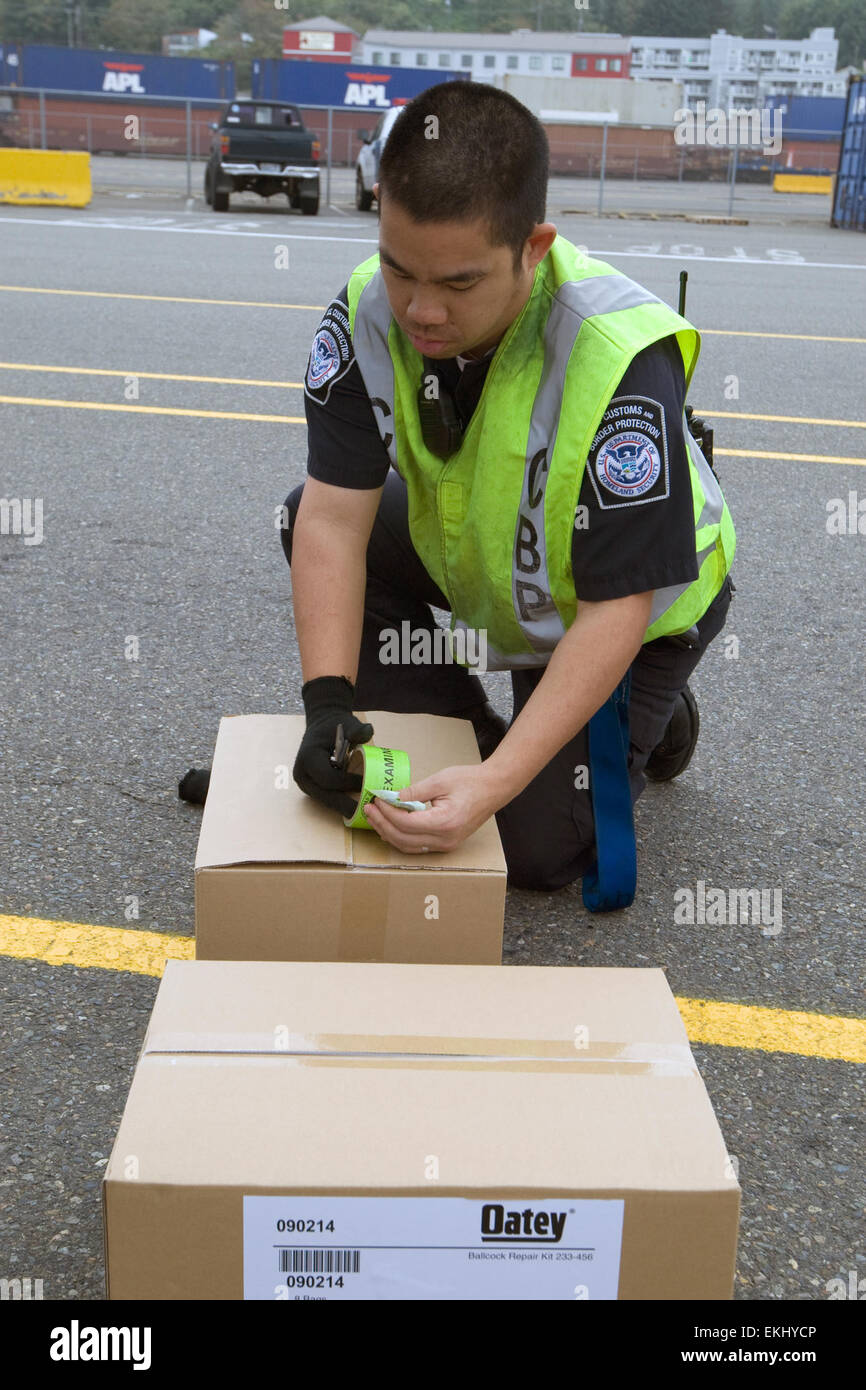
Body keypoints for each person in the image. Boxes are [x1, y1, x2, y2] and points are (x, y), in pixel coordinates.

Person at [277, 81, 735, 904]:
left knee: (530, 852)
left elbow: (618, 609)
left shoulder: (616, 356)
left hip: (623, 609)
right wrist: (326, 706)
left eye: (458, 282)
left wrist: (496, 786)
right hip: (490, 561)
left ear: (532, 247)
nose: (419, 308)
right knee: (295, 514)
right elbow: (332, 526)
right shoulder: (362, 312)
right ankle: (469, 737)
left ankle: (644, 723)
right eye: (397, 265)